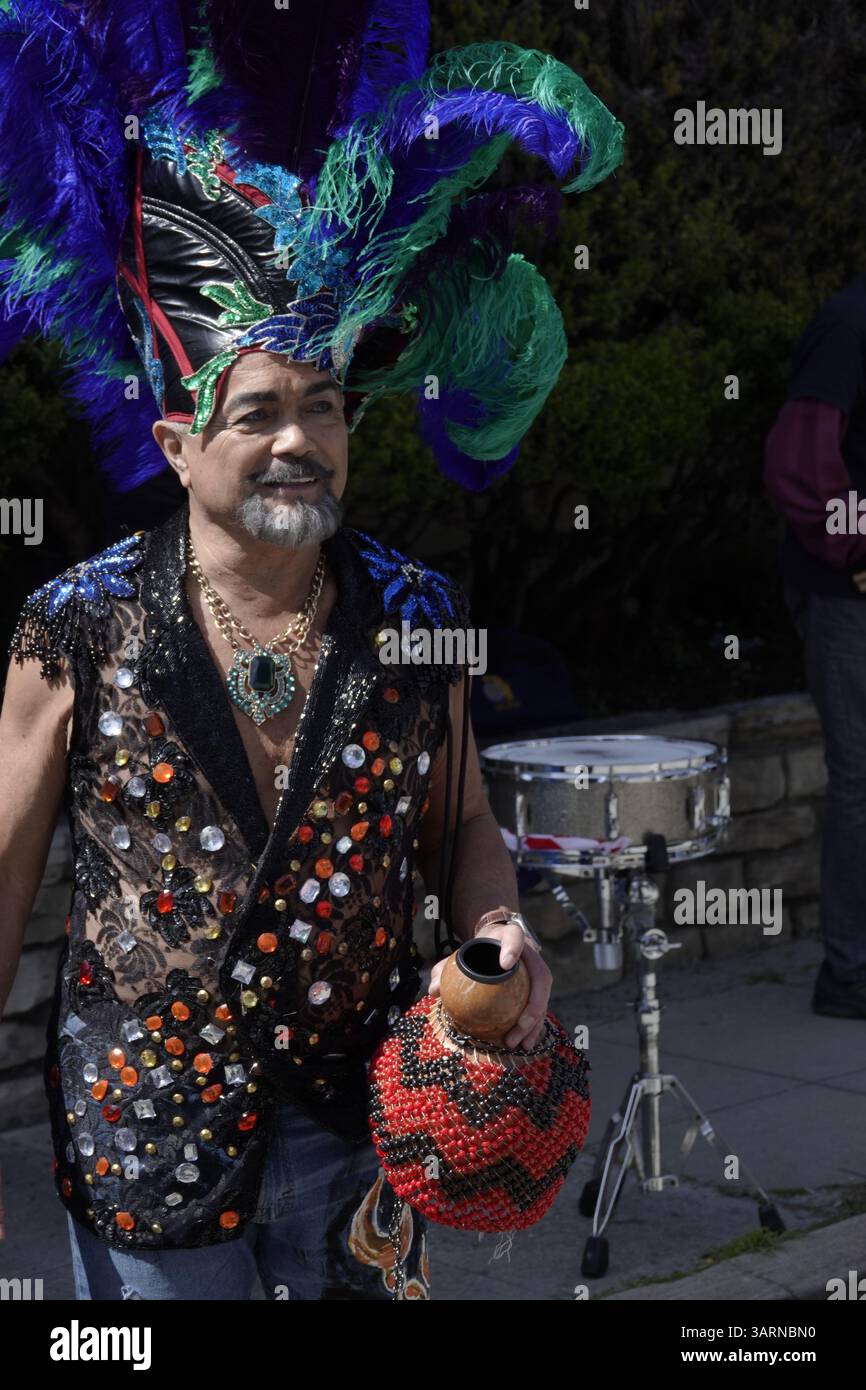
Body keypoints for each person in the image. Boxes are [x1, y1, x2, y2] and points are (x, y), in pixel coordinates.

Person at [0, 1, 623, 1299]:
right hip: (148, 1134)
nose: (298, 438)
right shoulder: (77, 624)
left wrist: (496, 927)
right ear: (177, 443)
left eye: (324, 405)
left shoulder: (408, 605)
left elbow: (460, 818)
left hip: (361, 1133)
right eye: (259, 410)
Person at [764, 273, 866, 1020]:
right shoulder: (850, 324)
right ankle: (850, 974)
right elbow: (801, 466)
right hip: (848, 596)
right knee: (862, 785)